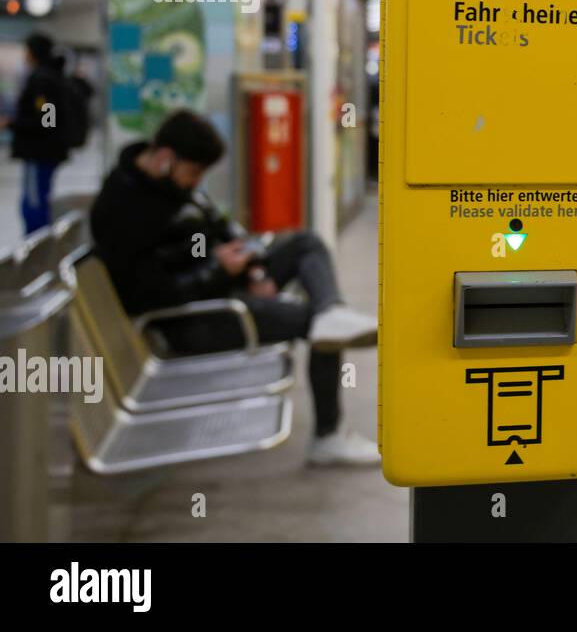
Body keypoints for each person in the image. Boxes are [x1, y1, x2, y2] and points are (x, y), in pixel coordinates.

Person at [90, 109, 381, 466]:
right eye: (193, 173)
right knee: (312, 324)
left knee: (306, 244)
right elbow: (151, 295)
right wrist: (217, 270)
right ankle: (328, 434)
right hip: (191, 319)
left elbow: (222, 230)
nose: (196, 183)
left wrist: (254, 271)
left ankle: (330, 311)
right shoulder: (122, 210)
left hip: (222, 285)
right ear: (166, 158)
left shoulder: (170, 185)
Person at [5, 33, 70, 234]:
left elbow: (47, 120)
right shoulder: (51, 75)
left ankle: (37, 251)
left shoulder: (42, 79)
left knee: (34, 204)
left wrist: (13, 124)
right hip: (45, 150)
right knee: (38, 200)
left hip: (40, 151)